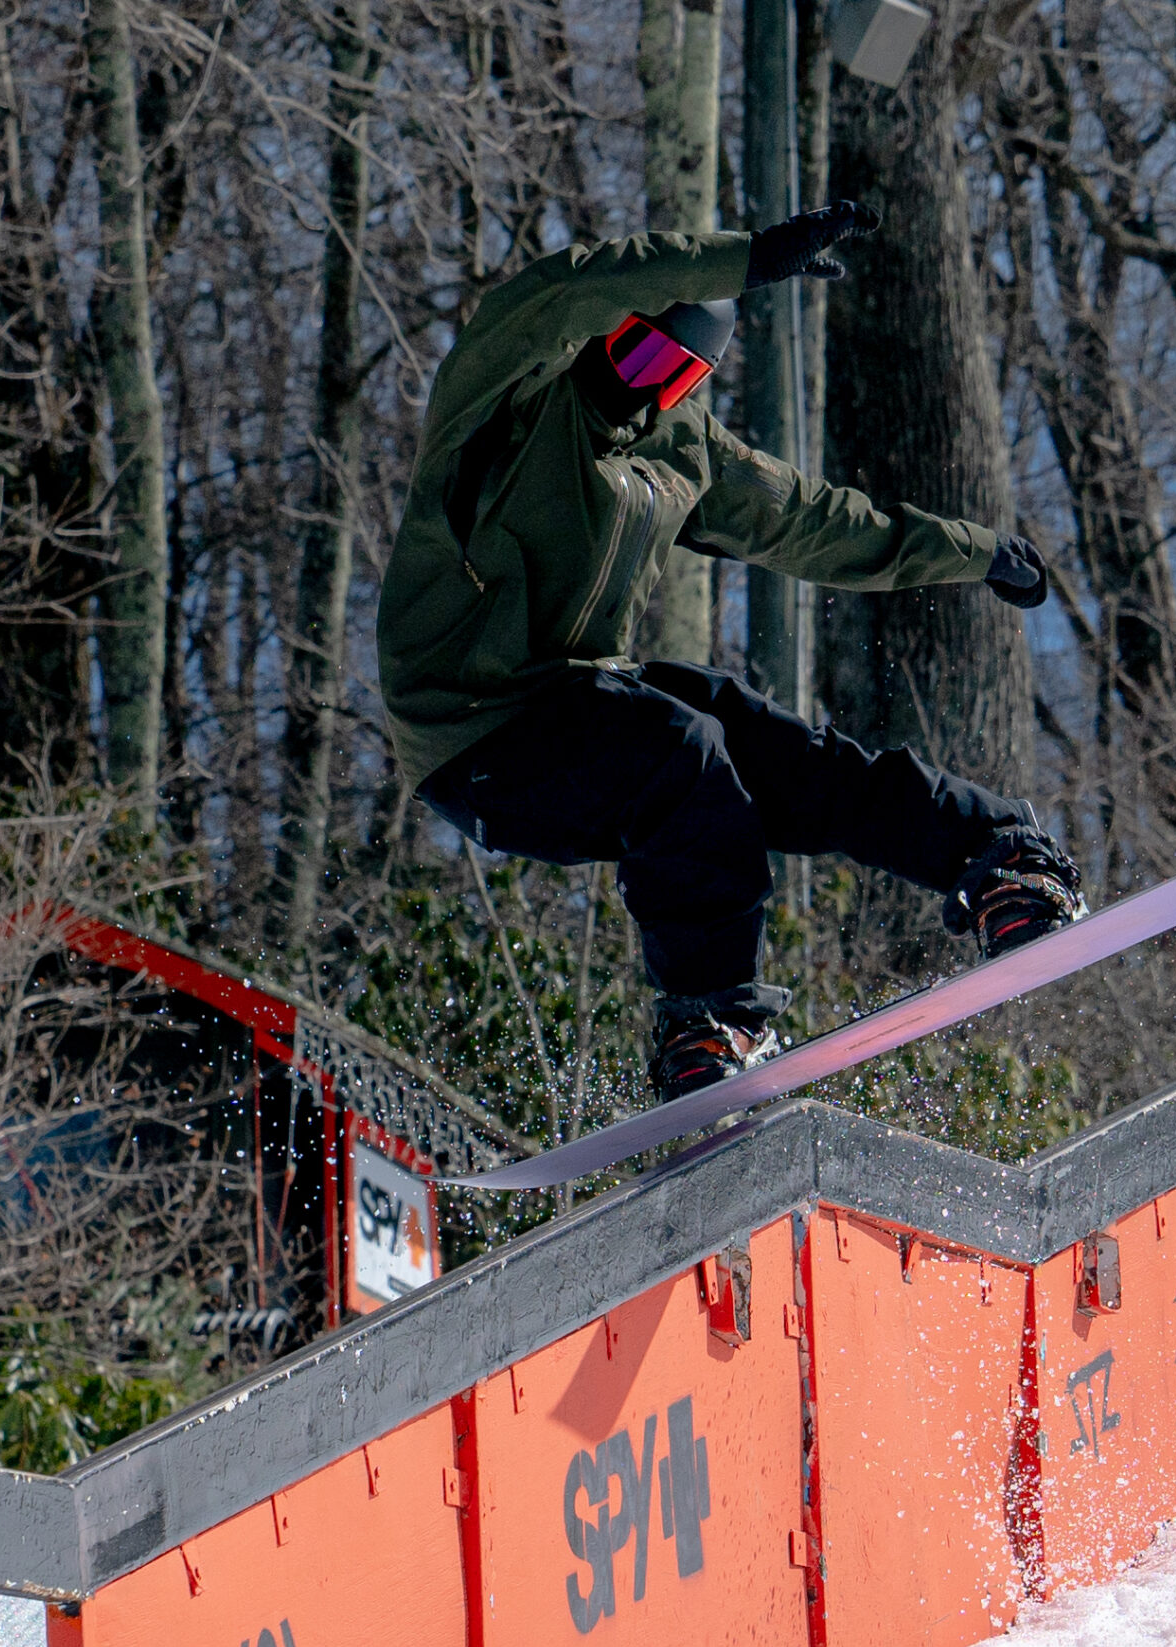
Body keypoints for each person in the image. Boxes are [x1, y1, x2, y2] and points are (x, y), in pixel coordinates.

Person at [378, 204, 1087, 1103]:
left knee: (770, 746)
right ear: (607, 338)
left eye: (674, 378)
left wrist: (970, 550)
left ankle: (998, 861)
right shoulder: (509, 398)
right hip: (473, 737)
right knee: (680, 750)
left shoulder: (679, 447)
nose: (645, 391)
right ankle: (707, 1015)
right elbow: (555, 290)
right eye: (637, 359)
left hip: (576, 705)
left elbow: (810, 521)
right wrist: (742, 261)